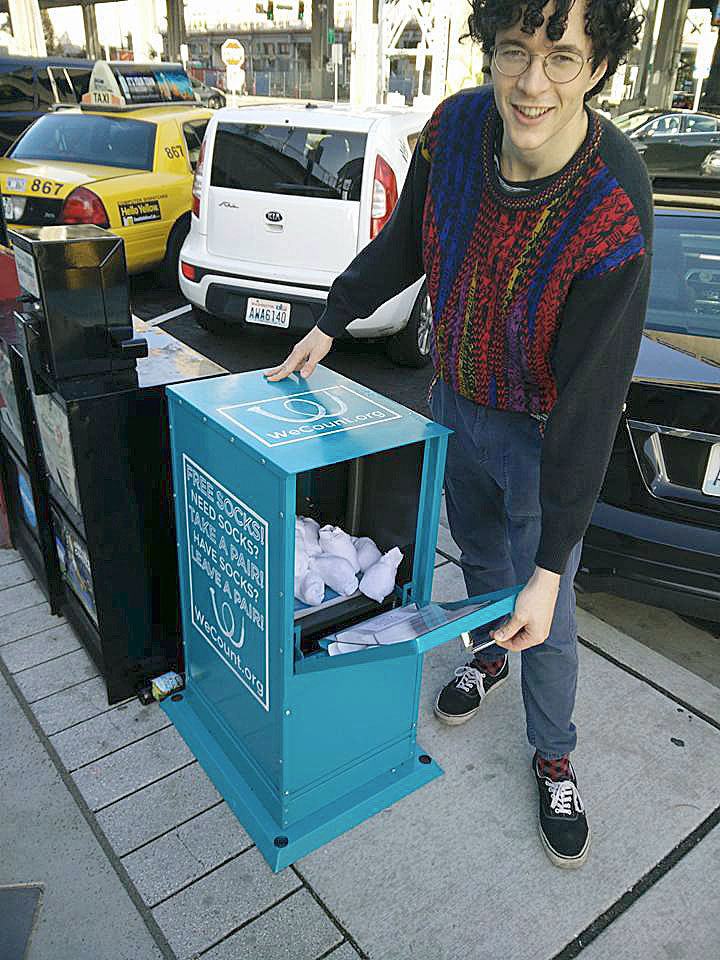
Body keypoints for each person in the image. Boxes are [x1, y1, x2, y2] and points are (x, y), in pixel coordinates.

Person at [266, 0, 651, 869]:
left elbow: (595, 401)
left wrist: (552, 566)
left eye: (561, 56)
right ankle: (486, 658)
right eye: (514, 51)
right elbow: (407, 242)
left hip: (545, 435)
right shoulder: (454, 129)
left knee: (542, 610)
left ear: (596, 66)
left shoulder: (612, 204)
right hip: (454, 403)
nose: (531, 81)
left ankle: (554, 753)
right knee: (476, 564)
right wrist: (333, 319)